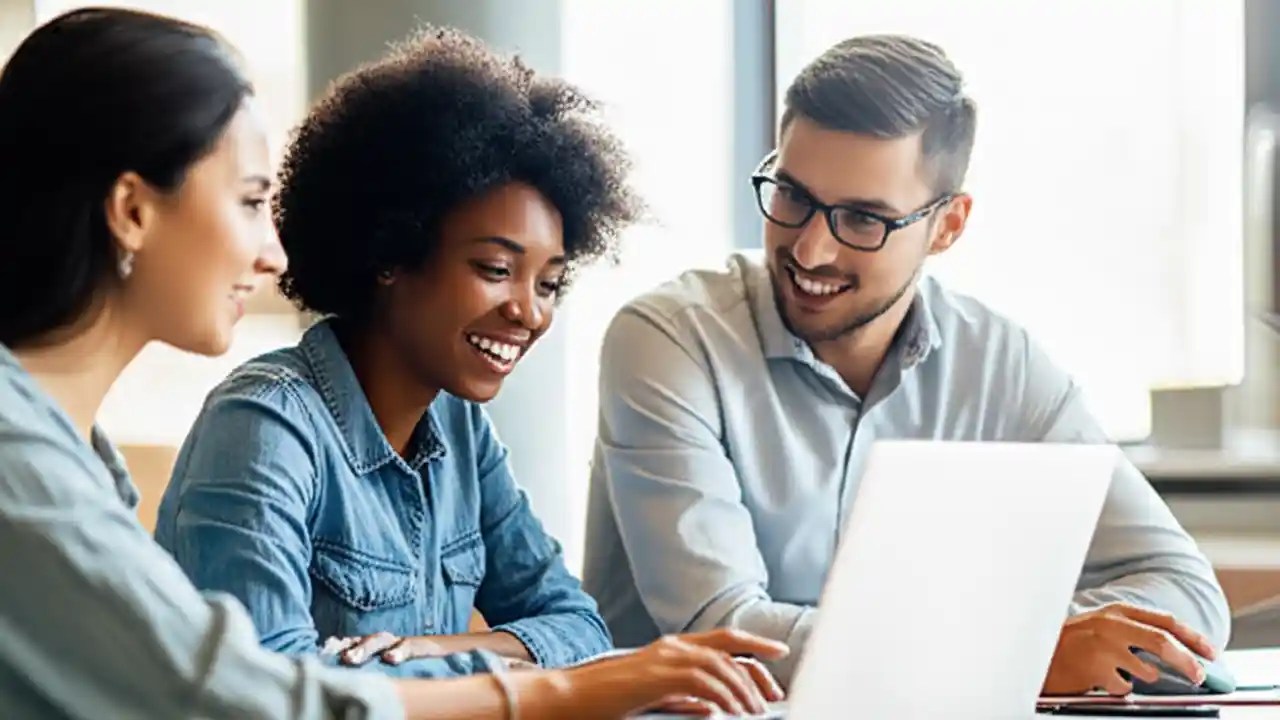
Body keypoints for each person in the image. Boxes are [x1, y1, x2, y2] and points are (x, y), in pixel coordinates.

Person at [0, 9, 787, 719]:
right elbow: (242, 695)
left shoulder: (78, 459)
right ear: (133, 211)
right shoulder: (45, 456)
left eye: (548, 282)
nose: (272, 253)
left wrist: (440, 657)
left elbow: (575, 623)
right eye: (247, 202)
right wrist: (553, 687)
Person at [582, 33, 1230, 696]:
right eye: (792, 196)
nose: (810, 249)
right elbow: (723, 630)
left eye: (863, 219)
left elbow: (1185, 591)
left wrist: (1022, 647)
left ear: (948, 226)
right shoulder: (668, 340)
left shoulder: (1002, 365)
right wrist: (1017, 653)